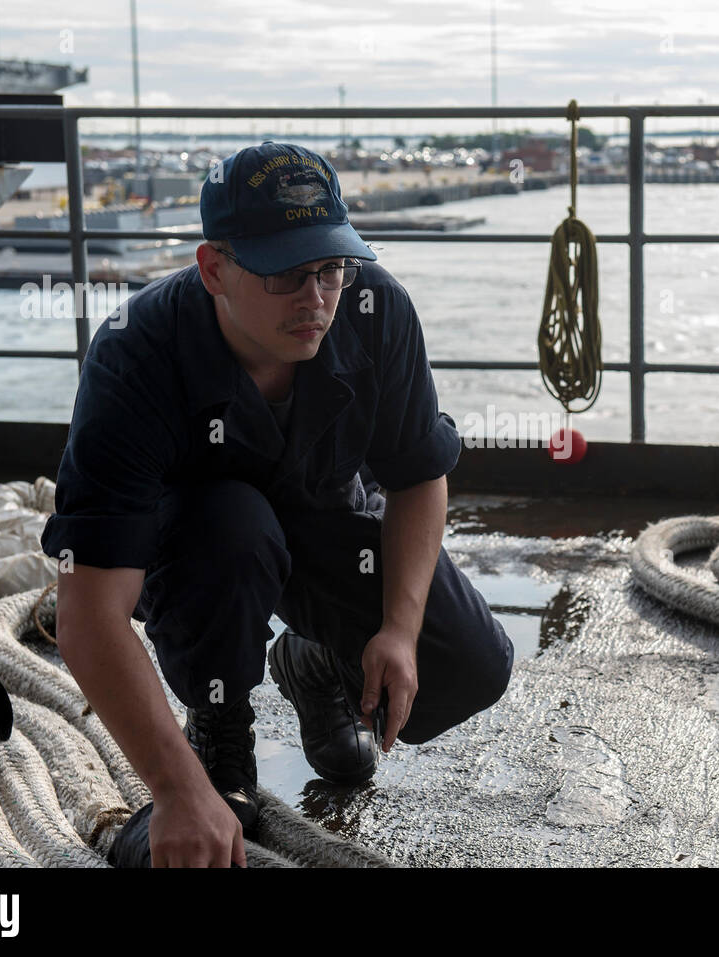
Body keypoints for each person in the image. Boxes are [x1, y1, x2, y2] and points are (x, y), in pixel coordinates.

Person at [41, 141, 514, 868]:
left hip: (326, 516)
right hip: (207, 548)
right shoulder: (134, 357)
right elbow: (88, 612)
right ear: (214, 268)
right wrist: (176, 788)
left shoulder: (373, 304)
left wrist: (395, 627)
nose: (317, 297)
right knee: (231, 528)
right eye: (288, 273)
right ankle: (221, 744)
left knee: (473, 665)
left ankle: (319, 663)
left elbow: (418, 473)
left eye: (330, 268)